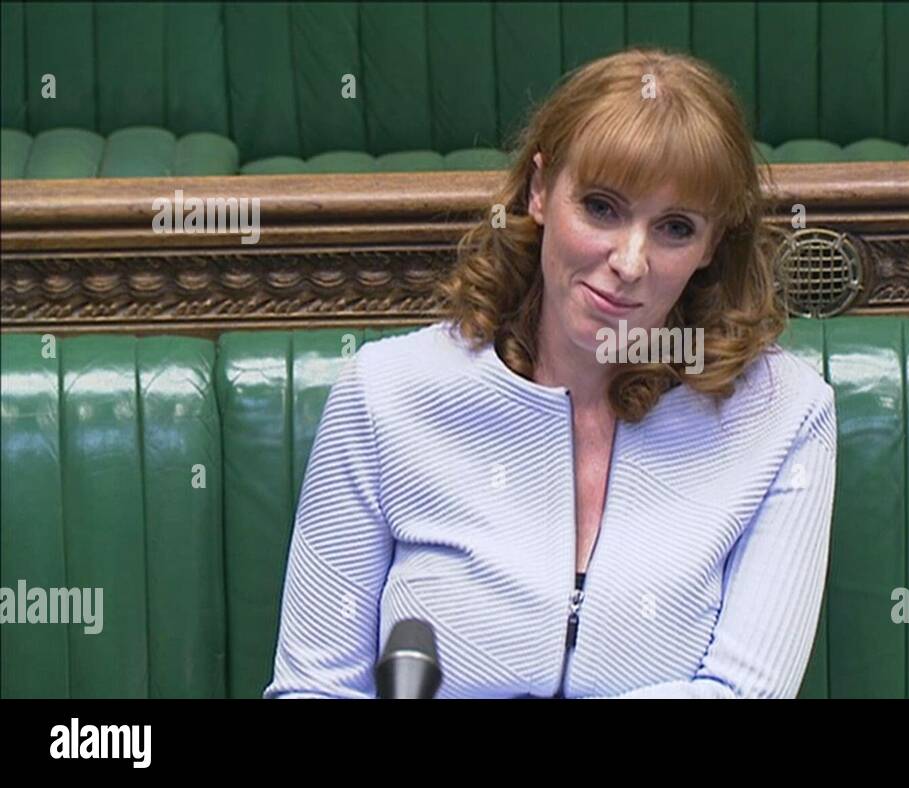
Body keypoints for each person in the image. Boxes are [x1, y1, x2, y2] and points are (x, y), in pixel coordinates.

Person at [264, 47, 837, 699]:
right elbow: (315, 686)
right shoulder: (386, 392)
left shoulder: (783, 411)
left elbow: (745, 692)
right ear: (540, 190)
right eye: (601, 207)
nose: (630, 260)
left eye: (675, 227)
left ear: (712, 245)